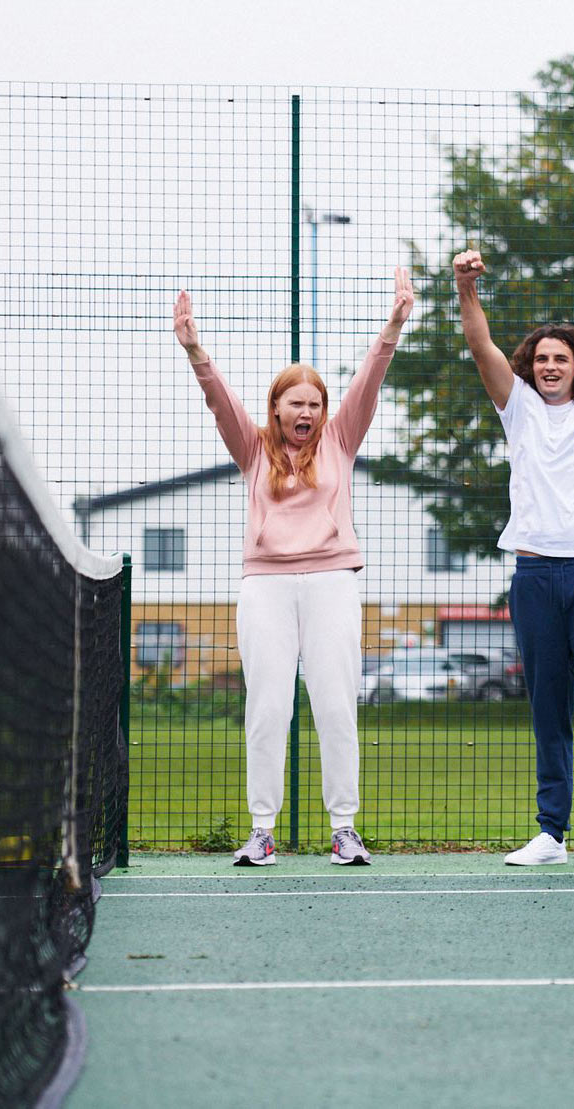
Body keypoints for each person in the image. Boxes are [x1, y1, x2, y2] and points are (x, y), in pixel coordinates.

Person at [172, 268, 415, 867]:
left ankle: (344, 830)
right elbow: (220, 402)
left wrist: (393, 324)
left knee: (335, 705)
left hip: (333, 581)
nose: (306, 411)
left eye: (314, 403)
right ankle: (262, 832)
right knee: (268, 708)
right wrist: (196, 351)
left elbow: (370, 380)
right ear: (276, 408)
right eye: (295, 402)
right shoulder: (252, 448)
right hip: (266, 586)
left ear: (324, 410)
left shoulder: (340, 439)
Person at [451, 248, 574, 868]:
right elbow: (480, 344)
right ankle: (551, 834)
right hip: (535, 574)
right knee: (547, 706)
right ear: (529, 366)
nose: (549, 366)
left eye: (560, 358)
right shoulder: (516, 406)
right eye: (541, 358)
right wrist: (464, 287)